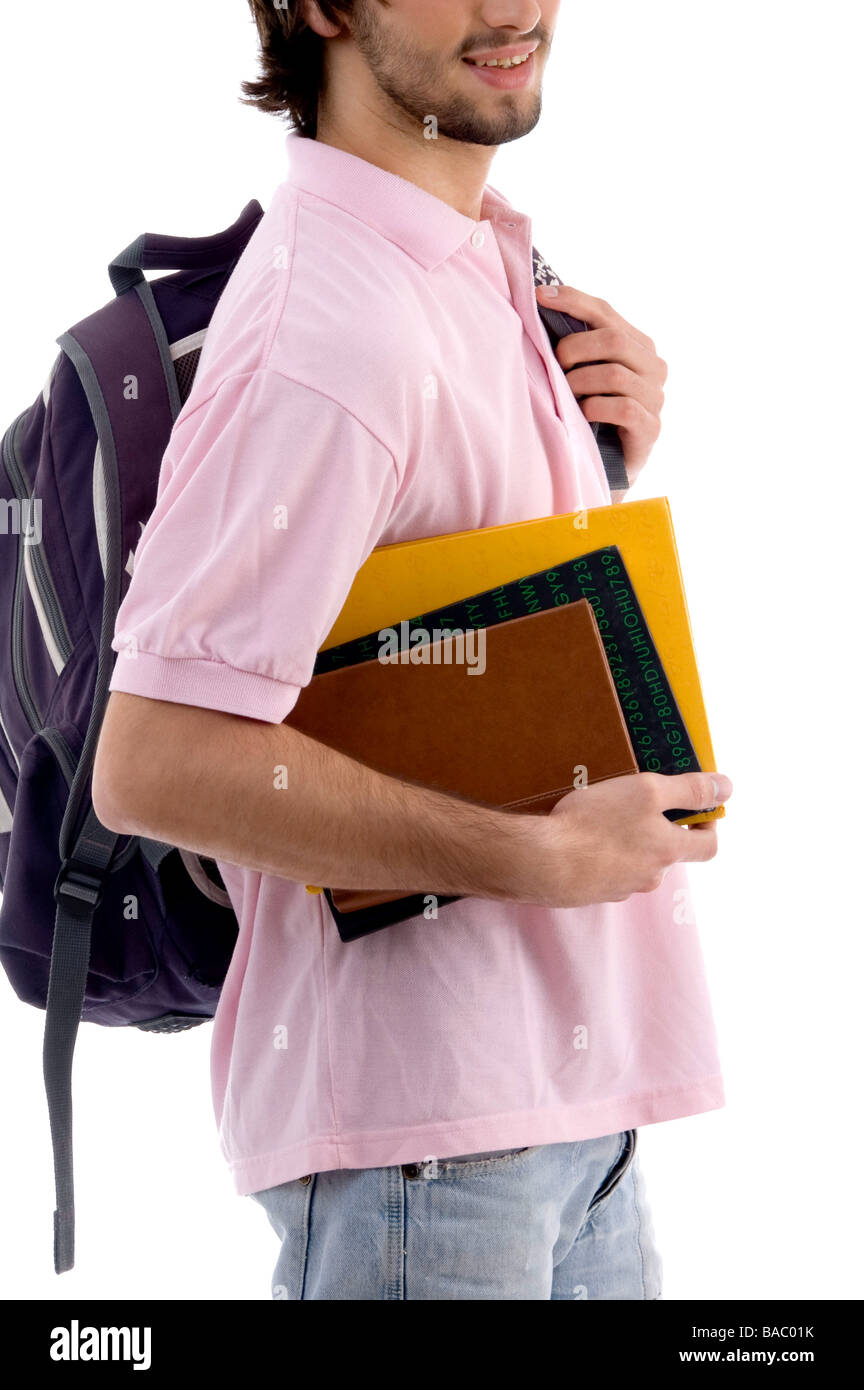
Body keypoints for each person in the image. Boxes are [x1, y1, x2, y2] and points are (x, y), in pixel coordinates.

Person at [92, 0, 733, 1301]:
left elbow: (434, 626)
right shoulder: (332, 332)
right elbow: (153, 762)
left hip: (572, 1116)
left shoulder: (475, 265)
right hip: (424, 1162)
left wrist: (599, 448)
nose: (516, 9)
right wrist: (530, 856)